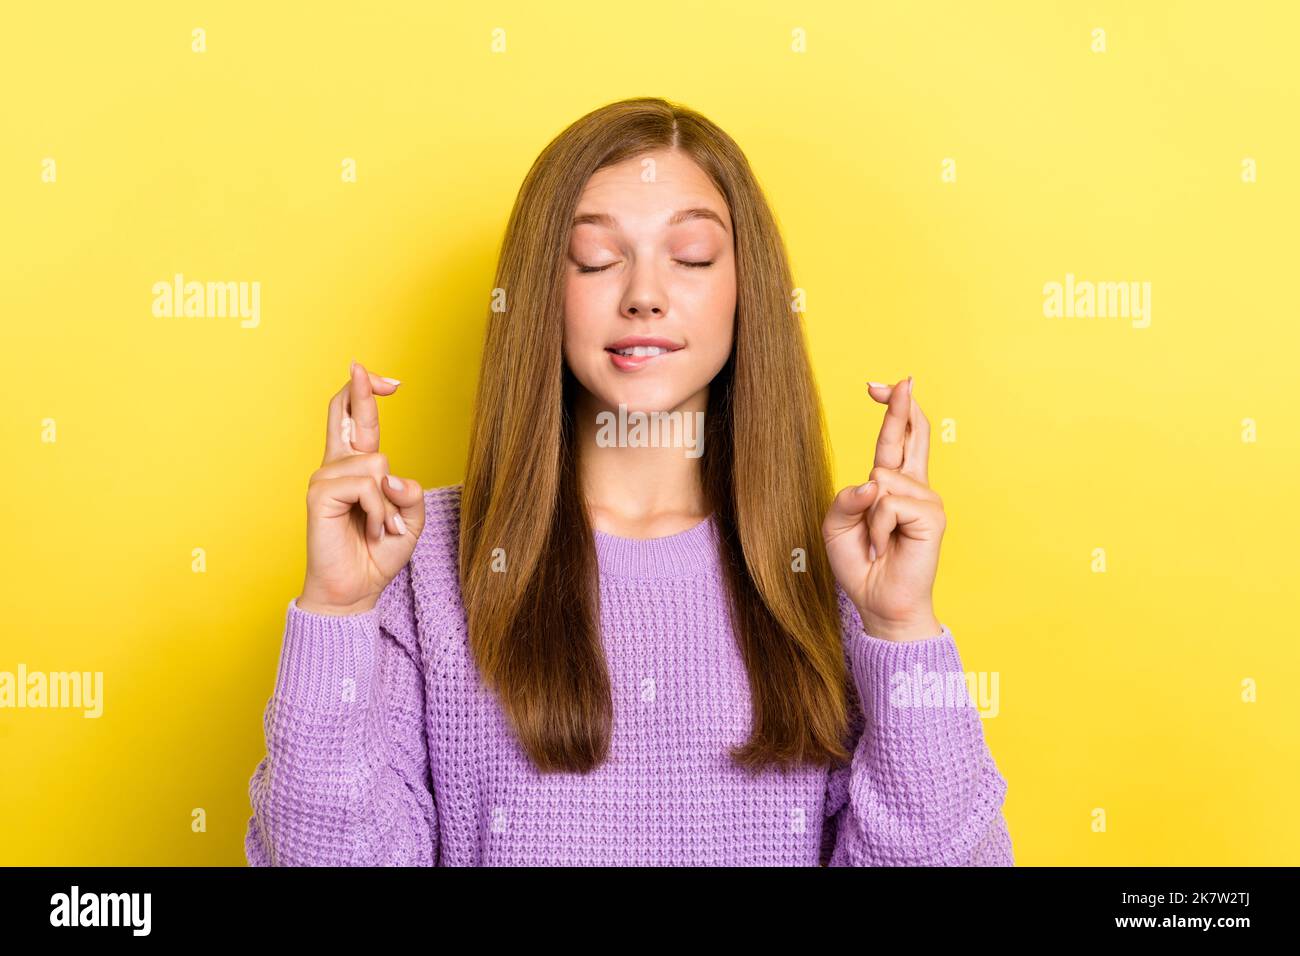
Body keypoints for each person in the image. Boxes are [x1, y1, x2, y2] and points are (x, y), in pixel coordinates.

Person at [243, 96, 1014, 866]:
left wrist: (902, 629)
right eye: (597, 258)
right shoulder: (423, 564)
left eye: (691, 257)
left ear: (747, 292)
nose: (644, 293)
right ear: (542, 290)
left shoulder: (842, 568)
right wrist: (335, 613)